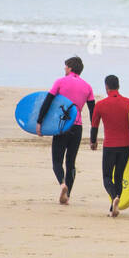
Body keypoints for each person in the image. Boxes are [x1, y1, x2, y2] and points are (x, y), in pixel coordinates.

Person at [36, 57, 95, 205]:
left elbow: (48, 102)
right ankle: (67, 195)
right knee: (71, 163)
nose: (64, 69)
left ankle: (62, 184)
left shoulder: (60, 82)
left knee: (57, 161)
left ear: (69, 68)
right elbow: (93, 112)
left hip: (61, 126)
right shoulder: (87, 87)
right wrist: (93, 135)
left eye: (65, 67)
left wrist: (39, 121)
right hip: (77, 127)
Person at [89, 75, 129, 217]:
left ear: (106, 87)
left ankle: (114, 197)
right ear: (118, 86)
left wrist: (93, 141)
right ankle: (113, 207)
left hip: (110, 146)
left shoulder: (100, 105)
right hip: (126, 145)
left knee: (107, 177)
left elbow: (94, 126)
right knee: (119, 176)